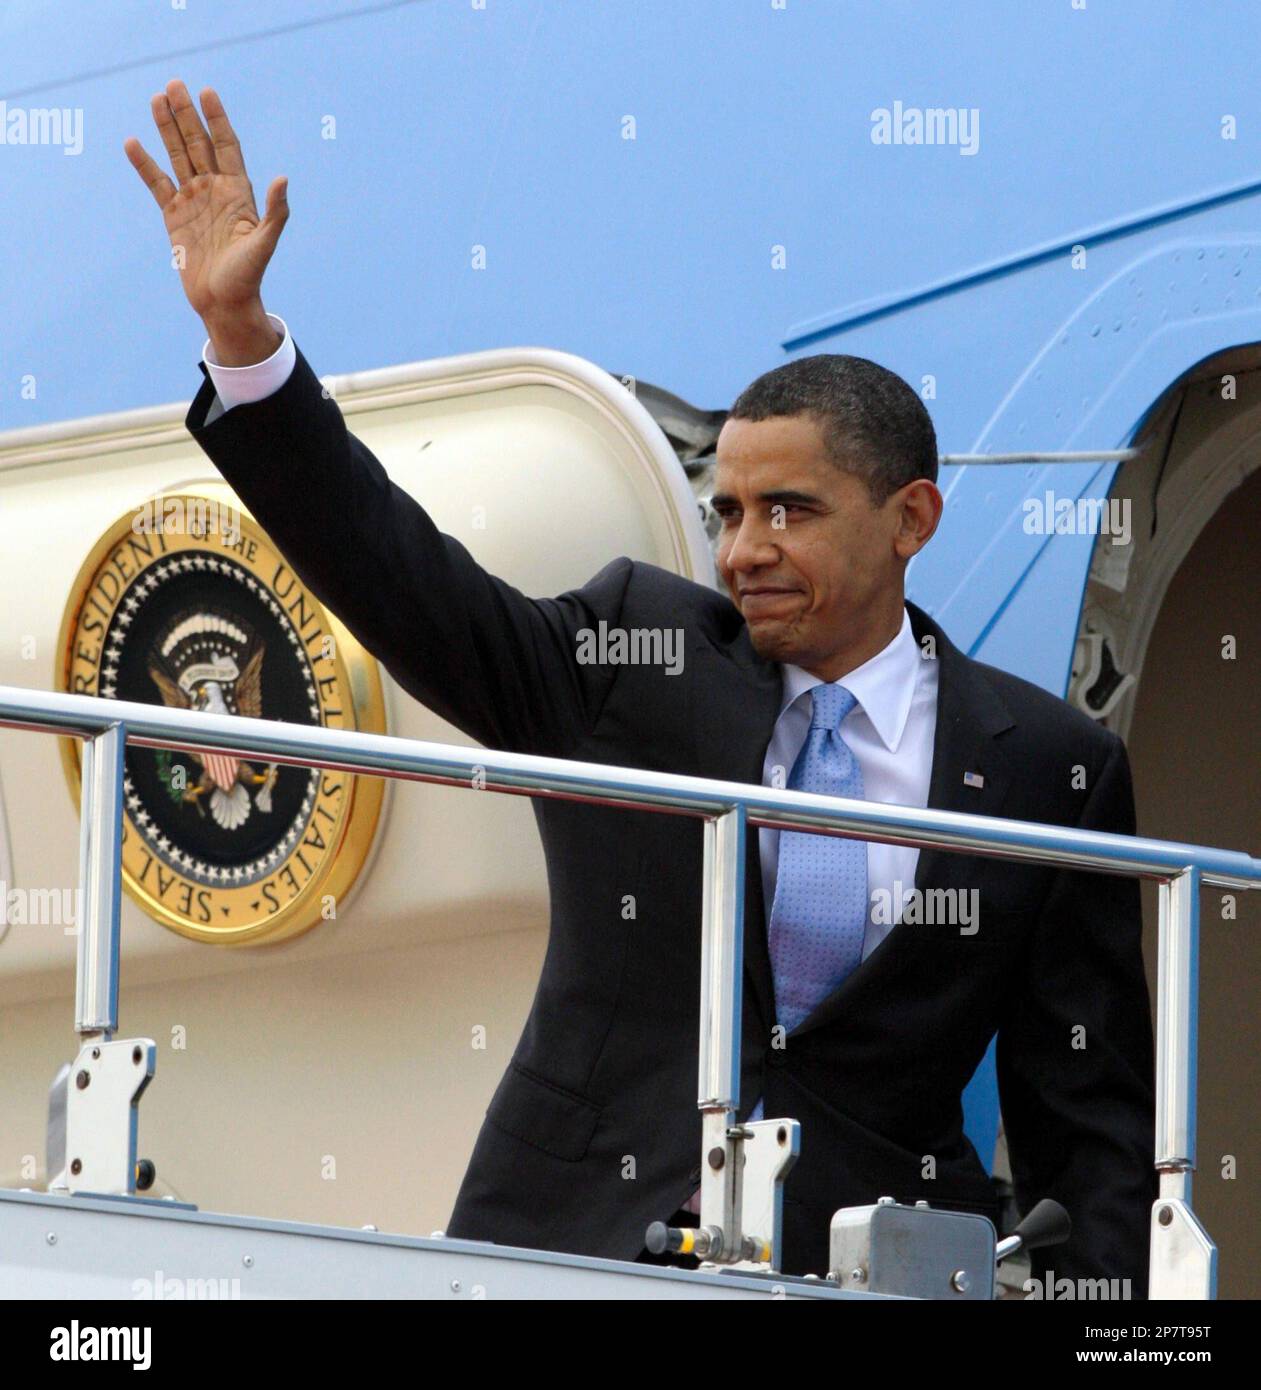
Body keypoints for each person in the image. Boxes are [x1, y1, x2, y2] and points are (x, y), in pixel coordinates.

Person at [124, 80, 1158, 1288]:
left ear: (910, 518)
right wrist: (247, 346)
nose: (742, 550)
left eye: (789, 511)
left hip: (868, 1267)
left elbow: (1087, 1123)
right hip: (572, 1247)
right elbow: (408, 584)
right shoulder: (640, 657)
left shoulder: (1045, 767)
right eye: (726, 511)